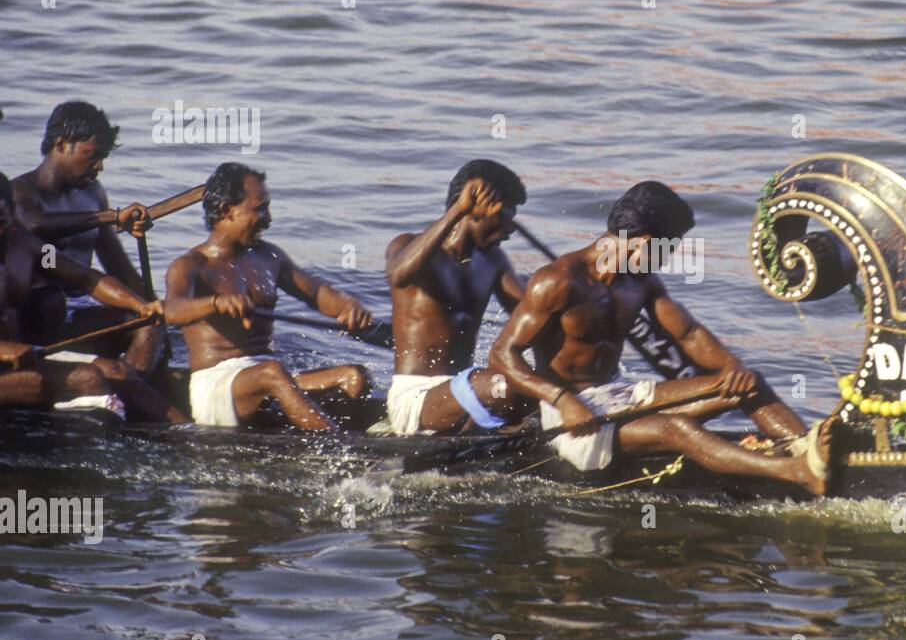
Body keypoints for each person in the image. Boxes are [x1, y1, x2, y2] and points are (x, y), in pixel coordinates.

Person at [490, 181, 829, 494]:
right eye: (669, 248)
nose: (668, 258)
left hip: (623, 395)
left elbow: (688, 333)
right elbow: (502, 355)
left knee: (747, 383)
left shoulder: (641, 282)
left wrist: (732, 366)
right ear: (646, 241)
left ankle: (806, 450)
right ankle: (795, 473)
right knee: (676, 428)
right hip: (574, 418)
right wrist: (563, 400)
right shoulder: (557, 281)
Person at [164, 163, 372, 430]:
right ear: (227, 210)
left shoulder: (269, 256)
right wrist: (215, 303)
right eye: (259, 208)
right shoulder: (190, 265)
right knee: (272, 373)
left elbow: (316, 292)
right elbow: (172, 310)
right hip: (217, 385)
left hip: (268, 375)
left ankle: (327, 446)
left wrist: (348, 305)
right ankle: (339, 449)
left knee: (354, 377)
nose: (269, 218)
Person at [0, 172, 185, 422]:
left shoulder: (30, 248)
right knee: (90, 377)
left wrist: (140, 305)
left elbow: (85, 278)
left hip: (28, 356)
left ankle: (185, 431)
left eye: (1, 220)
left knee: (117, 370)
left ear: (12, 213)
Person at [11, 101, 165, 376]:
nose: (100, 166)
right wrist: (111, 217)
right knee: (51, 300)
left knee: (148, 325)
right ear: (61, 145)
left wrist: (153, 305)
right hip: (40, 315)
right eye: (92, 155)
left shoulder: (92, 193)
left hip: (83, 307)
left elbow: (116, 265)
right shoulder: (20, 191)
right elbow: (36, 226)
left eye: (103, 157)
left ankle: (130, 390)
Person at [384, 160, 535, 434]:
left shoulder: (493, 260)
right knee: (504, 386)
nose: (511, 229)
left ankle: (485, 433)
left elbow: (535, 312)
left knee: (536, 386)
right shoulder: (407, 245)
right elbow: (398, 275)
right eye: (506, 216)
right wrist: (457, 210)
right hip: (416, 399)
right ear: (474, 208)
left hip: (465, 390)